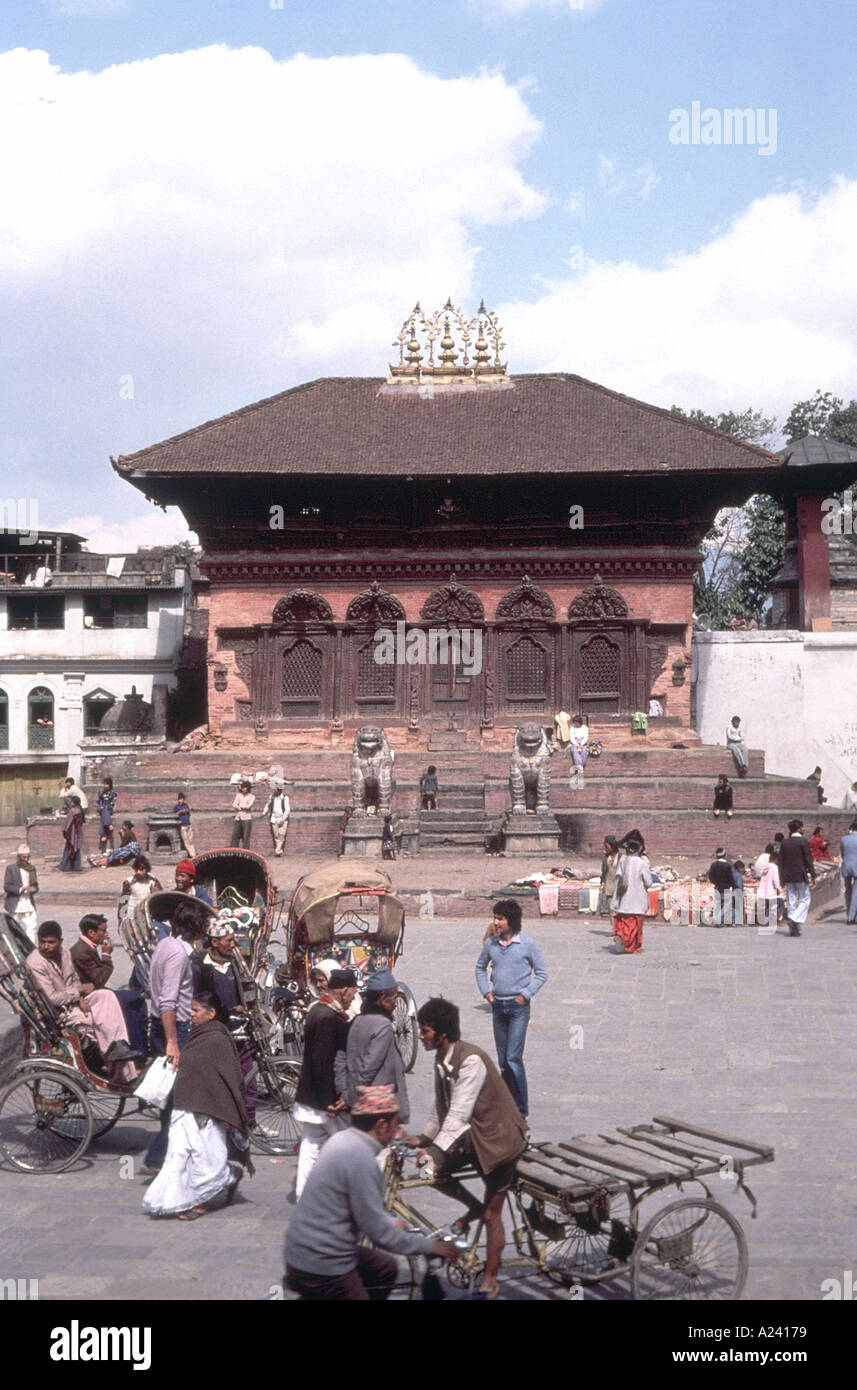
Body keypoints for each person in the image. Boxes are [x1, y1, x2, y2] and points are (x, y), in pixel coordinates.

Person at [285, 1084, 457, 1300]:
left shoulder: (341, 1139)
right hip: (323, 1261)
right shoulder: (361, 1159)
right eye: (394, 1126)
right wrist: (430, 1245)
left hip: (304, 1247)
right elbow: (382, 1236)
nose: (396, 1134)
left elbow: (357, 1206)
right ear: (381, 1125)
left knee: (384, 1268)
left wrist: (388, 1220)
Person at [413, 997, 528, 1299]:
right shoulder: (442, 1058)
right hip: (474, 1137)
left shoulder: (471, 1061)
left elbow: (458, 1114)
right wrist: (423, 1139)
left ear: (442, 1034)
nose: (420, 1036)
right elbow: (440, 1110)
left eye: (424, 1031)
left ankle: (490, 1278)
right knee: (428, 1174)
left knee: (492, 1215)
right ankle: (472, 1208)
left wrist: (435, 1153)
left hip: (500, 1141)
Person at [143, 991, 248, 1220]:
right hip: (184, 1104)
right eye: (190, 1010)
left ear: (211, 1014)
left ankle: (202, 1201)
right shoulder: (197, 1034)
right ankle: (226, 1177)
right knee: (179, 1154)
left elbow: (230, 1077)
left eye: (196, 1010)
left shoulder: (218, 1039)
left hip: (205, 1109)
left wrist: (231, 1111)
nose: (191, 1015)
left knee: (204, 1156)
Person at [143, 899, 212, 1171]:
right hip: (174, 1027)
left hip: (164, 1024)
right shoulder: (177, 955)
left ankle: (166, 1153)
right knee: (180, 1095)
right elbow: (168, 1001)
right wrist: (173, 1041)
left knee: (173, 1094)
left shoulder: (165, 945)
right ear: (197, 928)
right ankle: (160, 1155)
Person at [27, 922, 140, 1082]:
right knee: (100, 1023)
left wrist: (80, 997)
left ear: (60, 941)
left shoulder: (64, 953)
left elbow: (73, 979)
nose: (46, 946)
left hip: (74, 1001)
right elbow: (52, 998)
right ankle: (123, 1075)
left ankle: (118, 1046)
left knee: (105, 996)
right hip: (61, 1012)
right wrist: (78, 992)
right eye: (43, 942)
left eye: (51, 942)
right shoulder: (35, 962)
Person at [474, 899, 548, 1119]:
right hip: (498, 1007)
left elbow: (542, 973)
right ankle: (507, 1104)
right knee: (503, 1061)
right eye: (495, 918)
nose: (495, 922)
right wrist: (486, 992)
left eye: (500, 918)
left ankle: (521, 1110)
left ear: (511, 922)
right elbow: (479, 968)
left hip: (518, 1009)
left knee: (514, 1058)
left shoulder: (527, 945)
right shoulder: (491, 944)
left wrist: (525, 995)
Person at [294, 967, 357, 1198]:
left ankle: (305, 1196)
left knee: (310, 1147)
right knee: (350, 1143)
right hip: (323, 1100)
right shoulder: (329, 1019)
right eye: (352, 993)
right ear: (344, 991)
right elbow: (323, 1063)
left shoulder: (318, 1010)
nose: (353, 998)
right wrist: (330, 1100)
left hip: (310, 1096)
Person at [198, 916, 258, 1126]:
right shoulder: (200, 965)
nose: (233, 945)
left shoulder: (235, 963)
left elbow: (249, 989)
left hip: (239, 1028)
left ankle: (249, 1120)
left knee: (248, 1076)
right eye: (229, 940)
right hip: (215, 1031)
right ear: (215, 942)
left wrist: (246, 1007)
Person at [69, 912, 148, 1055]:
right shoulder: (81, 952)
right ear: (91, 933)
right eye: (103, 930)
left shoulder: (87, 948)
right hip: (92, 996)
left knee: (133, 998)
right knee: (135, 1000)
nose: (106, 934)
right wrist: (106, 955)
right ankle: (138, 1049)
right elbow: (99, 980)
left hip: (97, 991)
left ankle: (135, 1044)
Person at [342, 967, 409, 1126]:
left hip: (361, 1099)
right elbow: (369, 1067)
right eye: (393, 998)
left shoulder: (356, 1021)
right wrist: (351, 1096)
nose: (394, 1005)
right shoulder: (383, 1025)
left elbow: (342, 1057)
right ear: (383, 998)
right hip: (378, 1101)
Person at [611, 837, 653, 953]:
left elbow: (617, 880)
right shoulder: (642, 863)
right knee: (636, 926)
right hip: (638, 901)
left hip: (623, 900)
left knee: (625, 924)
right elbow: (649, 883)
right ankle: (634, 947)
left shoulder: (622, 861)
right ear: (639, 848)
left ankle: (623, 940)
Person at [778, 818, 815, 937]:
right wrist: (813, 875)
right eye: (802, 827)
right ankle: (794, 919)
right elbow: (808, 860)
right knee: (805, 899)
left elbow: (781, 861)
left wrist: (781, 878)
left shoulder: (784, 842)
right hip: (800, 874)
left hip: (788, 875)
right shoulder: (803, 841)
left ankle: (794, 929)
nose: (803, 829)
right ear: (799, 828)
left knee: (791, 900)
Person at [4, 843, 39, 943]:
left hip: (28, 902)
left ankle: (31, 948)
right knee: (15, 928)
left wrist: (33, 889)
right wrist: (21, 889)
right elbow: (7, 886)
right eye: (24, 857)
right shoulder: (11, 868)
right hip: (16, 903)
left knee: (31, 928)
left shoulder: (31, 868)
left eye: (28, 857)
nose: (26, 859)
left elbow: (36, 886)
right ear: (19, 857)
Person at [118, 855, 163, 925]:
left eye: (141, 869)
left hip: (148, 917)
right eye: (136, 869)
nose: (138, 872)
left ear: (146, 869)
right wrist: (121, 922)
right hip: (132, 917)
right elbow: (123, 903)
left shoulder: (153, 881)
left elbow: (160, 899)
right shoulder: (129, 882)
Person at [707, 847, 737, 927]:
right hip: (726, 888)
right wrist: (734, 886)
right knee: (727, 905)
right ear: (725, 855)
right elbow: (730, 878)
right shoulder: (727, 866)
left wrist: (715, 883)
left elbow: (711, 877)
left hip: (717, 887)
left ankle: (718, 920)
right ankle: (717, 919)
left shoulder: (713, 865)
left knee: (718, 904)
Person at [755, 852, 783, 930]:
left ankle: (764, 921)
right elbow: (775, 879)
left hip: (763, 891)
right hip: (771, 891)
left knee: (768, 907)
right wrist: (778, 888)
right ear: (776, 859)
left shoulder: (765, 867)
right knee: (780, 904)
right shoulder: (774, 867)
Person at [262, 785, 290, 857]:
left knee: (282, 835)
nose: (273, 791)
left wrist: (283, 819)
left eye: (275, 790)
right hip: (274, 819)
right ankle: (280, 851)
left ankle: (277, 851)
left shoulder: (285, 798)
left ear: (279, 790)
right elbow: (268, 805)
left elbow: (287, 810)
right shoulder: (271, 797)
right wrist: (264, 812)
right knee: (276, 835)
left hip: (282, 819)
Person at [58, 796, 85, 872]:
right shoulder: (80, 811)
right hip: (78, 833)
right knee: (76, 849)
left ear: (74, 803)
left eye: (72, 802)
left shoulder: (72, 811)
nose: (70, 803)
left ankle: (66, 866)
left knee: (69, 849)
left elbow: (68, 823)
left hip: (72, 833)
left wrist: (65, 831)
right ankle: (77, 866)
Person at [840, 819, 857, 924]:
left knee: (848, 890)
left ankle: (848, 912)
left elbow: (842, 853)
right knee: (856, 892)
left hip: (846, 866)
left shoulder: (844, 839)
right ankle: (851, 916)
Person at [230, 780, 255, 848]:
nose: (243, 789)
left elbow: (248, 806)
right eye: (242, 787)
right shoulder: (239, 795)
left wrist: (239, 807)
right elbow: (234, 804)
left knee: (246, 836)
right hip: (238, 818)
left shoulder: (252, 796)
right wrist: (239, 807)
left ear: (248, 788)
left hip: (247, 818)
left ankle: (245, 851)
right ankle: (234, 850)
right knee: (235, 835)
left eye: (245, 787)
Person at [599, 836, 619, 916]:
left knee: (619, 911)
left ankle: (620, 928)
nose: (606, 848)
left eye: (607, 846)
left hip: (619, 887)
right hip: (609, 886)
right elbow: (603, 871)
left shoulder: (621, 857)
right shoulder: (605, 857)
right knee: (612, 911)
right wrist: (602, 881)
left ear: (612, 846)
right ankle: (614, 928)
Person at [96, 777, 117, 854]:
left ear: (110, 784)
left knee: (104, 813)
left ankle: (104, 834)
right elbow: (98, 801)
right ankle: (109, 825)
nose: (105, 786)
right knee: (103, 814)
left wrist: (105, 807)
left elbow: (112, 803)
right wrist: (98, 807)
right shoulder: (101, 792)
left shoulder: (113, 793)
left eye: (107, 784)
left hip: (109, 809)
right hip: (102, 809)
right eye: (104, 784)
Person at [173, 792, 196, 859]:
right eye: (180, 799)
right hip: (182, 826)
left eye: (182, 799)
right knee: (186, 841)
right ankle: (193, 855)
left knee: (190, 840)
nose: (181, 800)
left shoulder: (186, 805)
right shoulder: (176, 807)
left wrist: (186, 810)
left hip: (188, 824)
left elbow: (188, 811)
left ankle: (193, 853)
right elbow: (175, 814)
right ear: (178, 800)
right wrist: (180, 812)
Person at [568, 715, 589, 787]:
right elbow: (572, 738)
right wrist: (577, 745)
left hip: (583, 743)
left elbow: (586, 737)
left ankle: (580, 766)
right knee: (575, 751)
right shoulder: (572, 728)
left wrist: (581, 744)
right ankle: (580, 769)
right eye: (575, 723)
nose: (576, 724)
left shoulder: (585, 728)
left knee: (584, 752)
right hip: (575, 744)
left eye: (577, 723)